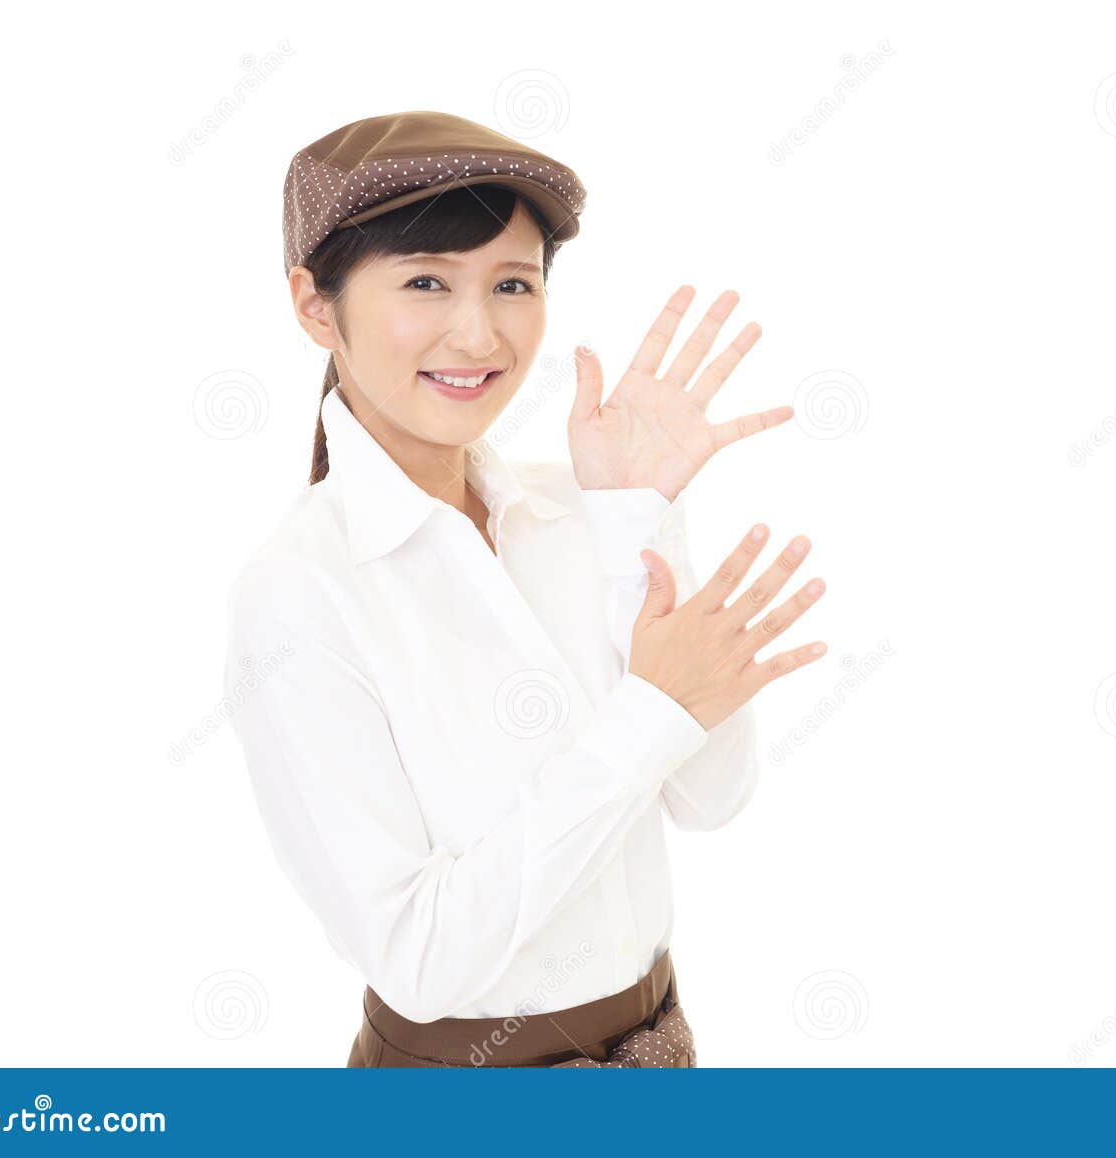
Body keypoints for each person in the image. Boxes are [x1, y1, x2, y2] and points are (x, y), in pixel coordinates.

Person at [225, 110, 830, 1067]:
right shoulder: (300, 594)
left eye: (514, 284)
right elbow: (420, 960)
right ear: (314, 305)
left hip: (661, 1050)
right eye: (426, 281)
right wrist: (648, 712)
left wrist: (642, 517)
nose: (479, 332)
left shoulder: (577, 508)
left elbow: (711, 800)